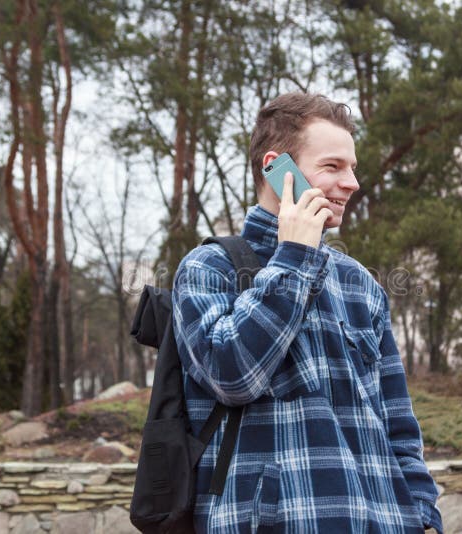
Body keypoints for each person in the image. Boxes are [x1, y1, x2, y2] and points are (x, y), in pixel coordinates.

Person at [172, 92, 443, 533]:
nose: (352, 183)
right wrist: (293, 258)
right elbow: (232, 376)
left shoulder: (360, 284)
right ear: (278, 169)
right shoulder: (209, 268)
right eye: (333, 166)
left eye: (352, 168)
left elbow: (397, 422)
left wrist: (421, 514)